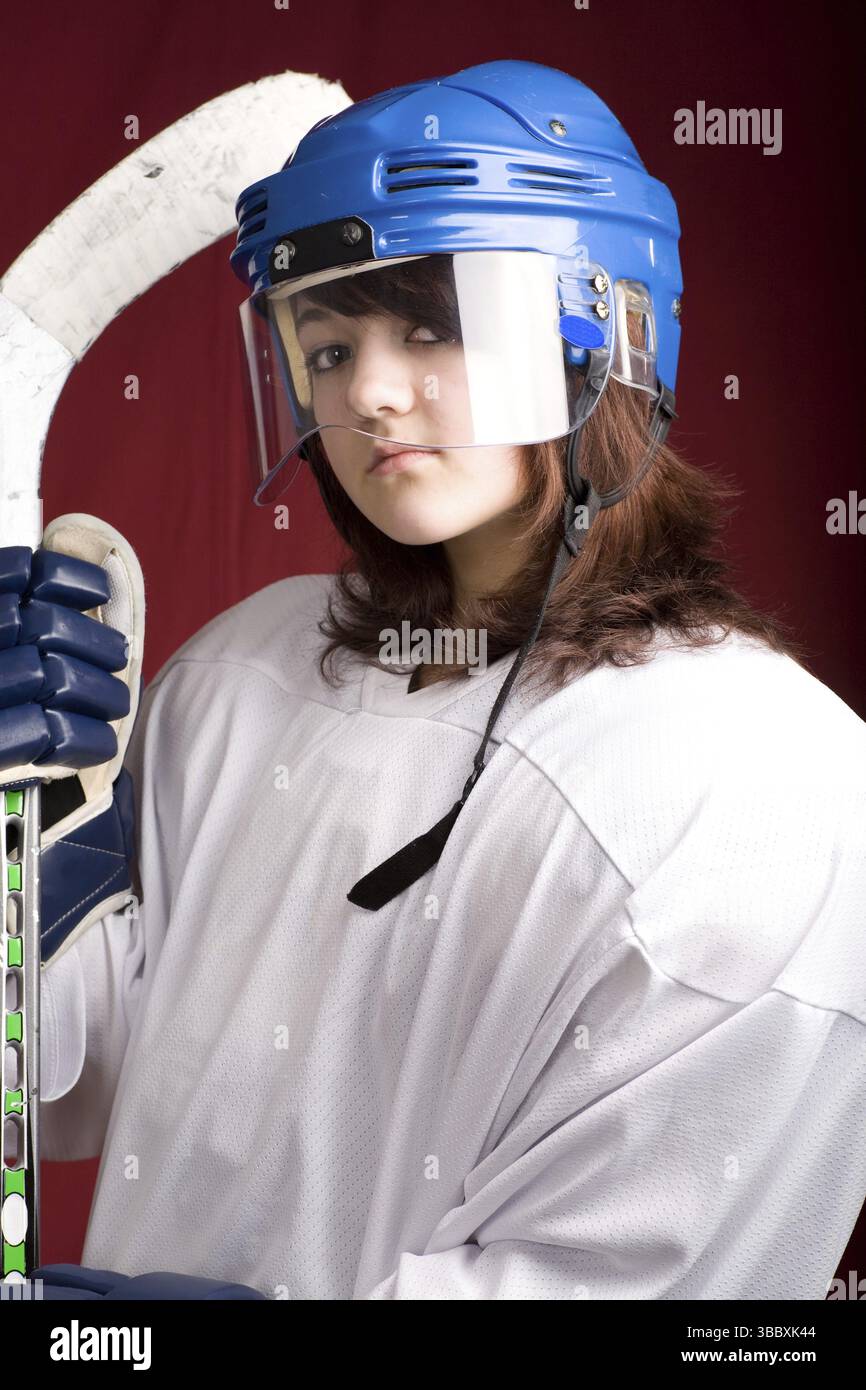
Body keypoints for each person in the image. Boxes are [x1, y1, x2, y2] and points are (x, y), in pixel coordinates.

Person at [5, 59, 866, 1300]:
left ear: (602, 334)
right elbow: (49, 1082)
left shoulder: (763, 781)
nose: (365, 390)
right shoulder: (244, 672)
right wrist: (34, 849)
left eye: (433, 325)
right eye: (330, 338)